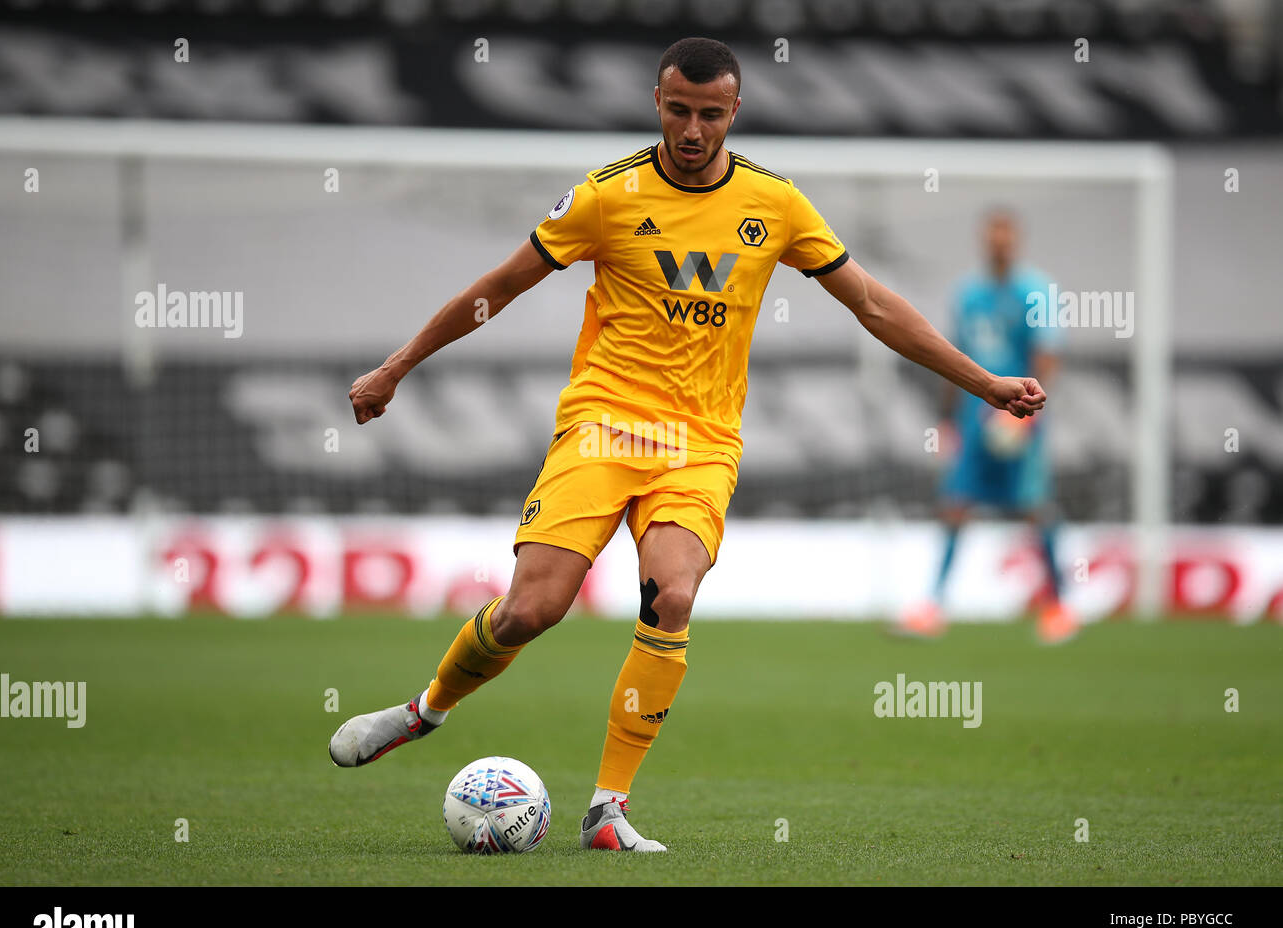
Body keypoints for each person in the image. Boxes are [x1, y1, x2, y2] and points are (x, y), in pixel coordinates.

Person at [330, 38, 1047, 852]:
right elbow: (496, 289)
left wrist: (984, 382)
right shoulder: (607, 197)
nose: (694, 129)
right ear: (658, 102)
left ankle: (607, 808)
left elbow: (875, 306)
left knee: (671, 593)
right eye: (679, 110)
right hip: (602, 424)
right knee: (533, 608)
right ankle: (427, 710)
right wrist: (395, 368)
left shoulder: (775, 204)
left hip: (701, 442)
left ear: (735, 112)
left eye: (711, 113)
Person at [897, 209, 1077, 644]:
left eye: (1006, 234)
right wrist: (946, 420)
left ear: (1016, 240)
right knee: (956, 505)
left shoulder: (1036, 291)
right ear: (984, 240)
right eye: (992, 234)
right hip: (973, 420)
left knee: (1036, 507)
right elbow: (955, 358)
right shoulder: (968, 293)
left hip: (1018, 416)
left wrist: (1028, 413)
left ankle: (1058, 607)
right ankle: (933, 605)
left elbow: (1046, 356)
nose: (999, 242)